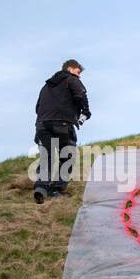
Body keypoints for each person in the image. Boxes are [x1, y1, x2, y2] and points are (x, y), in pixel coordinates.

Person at [33, 59, 91, 203]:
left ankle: (41, 188)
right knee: (68, 157)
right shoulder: (71, 79)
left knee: (47, 156)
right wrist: (86, 112)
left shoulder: (46, 86)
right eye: (78, 72)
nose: (79, 76)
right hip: (62, 125)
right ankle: (56, 189)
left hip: (42, 125)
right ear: (70, 69)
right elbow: (81, 95)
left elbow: (37, 107)